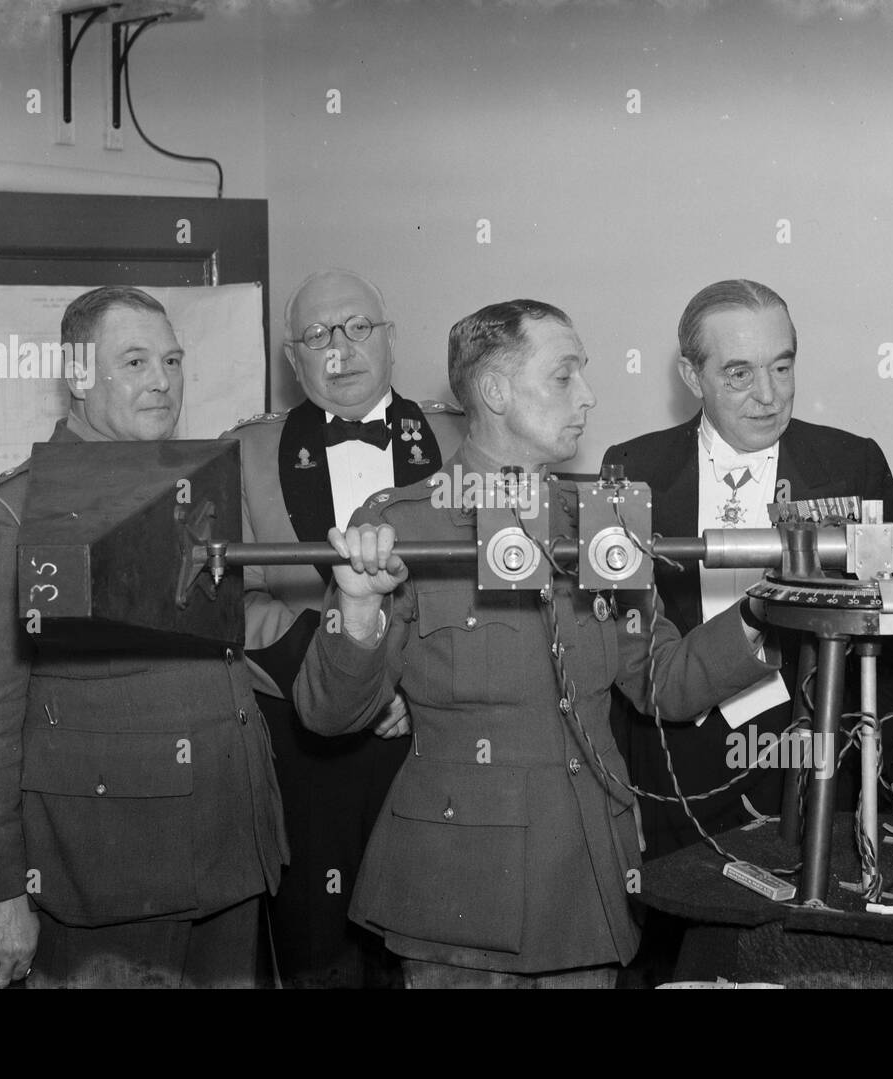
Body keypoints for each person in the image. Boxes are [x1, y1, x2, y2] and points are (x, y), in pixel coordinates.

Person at [294, 299, 776, 987]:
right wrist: (357, 605)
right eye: (563, 376)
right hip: (460, 896)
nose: (588, 396)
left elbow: (663, 682)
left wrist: (763, 611)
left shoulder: (603, 522)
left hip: (586, 880)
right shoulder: (401, 525)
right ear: (494, 390)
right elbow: (327, 714)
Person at [0, 286, 286, 988]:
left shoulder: (198, 495)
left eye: (172, 359)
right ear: (77, 375)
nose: (162, 380)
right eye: (134, 361)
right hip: (109, 879)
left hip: (228, 862)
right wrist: (1, 892)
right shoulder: (11, 514)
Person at [223, 269, 464, 987]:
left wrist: (406, 682)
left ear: (390, 341)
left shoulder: (461, 440)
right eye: (318, 335)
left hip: (431, 728)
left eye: (358, 328)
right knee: (316, 951)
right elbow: (231, 600)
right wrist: (342, 671)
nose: (341, 349)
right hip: (301, 734)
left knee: (430, 944)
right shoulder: (244, 451)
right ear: (293, 360)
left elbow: (483, 596)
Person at [602, 279, 893, 855]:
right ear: (693, 376)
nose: (768, 396)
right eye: (739, 374)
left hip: (817, 756)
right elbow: (626, 640)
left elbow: (884, 632)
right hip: (680, 764)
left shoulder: (853, 462)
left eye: (782, 369)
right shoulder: (633, 467)